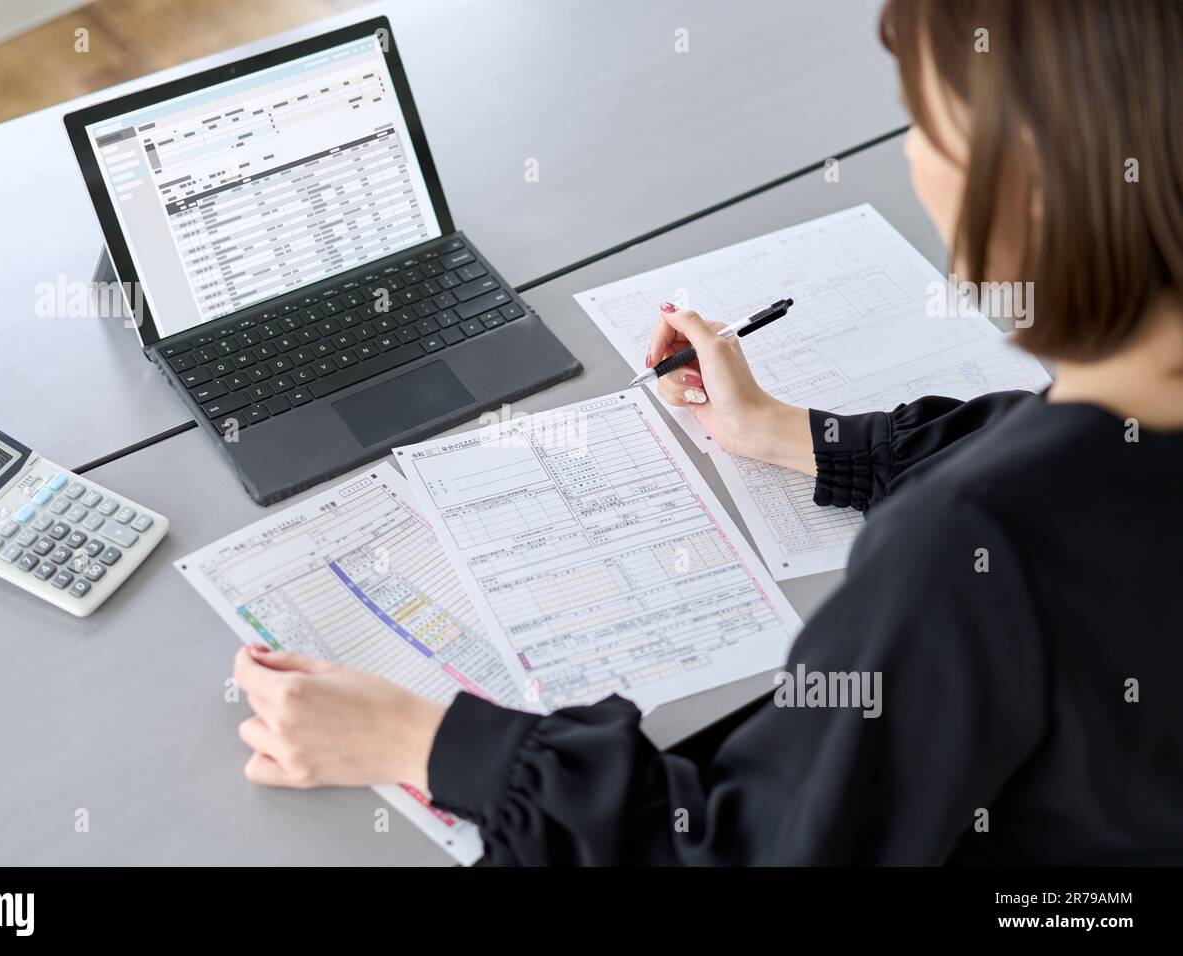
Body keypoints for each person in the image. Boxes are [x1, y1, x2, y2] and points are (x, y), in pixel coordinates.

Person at [231, 0, 1183, 864]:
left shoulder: (974, 550)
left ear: (1027, 192)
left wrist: (425, 743)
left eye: (929, 124)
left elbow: (731, 851)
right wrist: (790, 434)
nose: (909, 155)